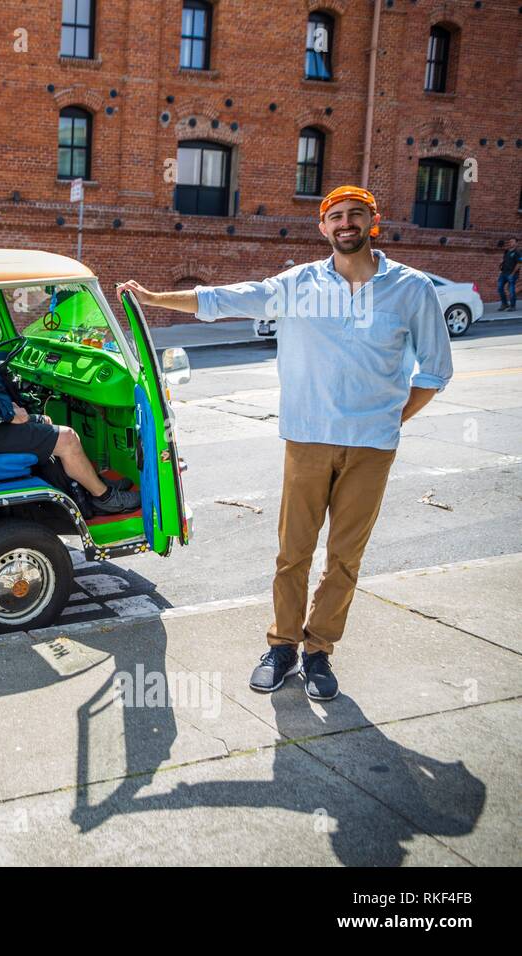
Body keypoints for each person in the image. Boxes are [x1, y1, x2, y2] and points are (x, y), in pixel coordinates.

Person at [118, 184, 453, 701]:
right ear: (323, 227)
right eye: (335, 215)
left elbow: (435, 370)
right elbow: (225, 298)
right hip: (307, 441)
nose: (345, 223)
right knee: (292, 554)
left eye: (355, 215)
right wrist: (158, 299)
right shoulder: (298, 284)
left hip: (372, 448)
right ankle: (282, 647)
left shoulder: (411, 290)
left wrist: (389, 420)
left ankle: (319, 652)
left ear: (373, 222)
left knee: (344, 559)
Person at [0, 292, 140, 514]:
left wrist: (14, 411)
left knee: (45, 421)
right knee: (68, 438)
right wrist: (8, 414)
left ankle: (88, 487)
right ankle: (105, 498)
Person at [498, 237, 519, 312]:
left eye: (513, 242)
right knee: (500, 288)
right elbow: (503, 260)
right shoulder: (506, 251)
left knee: (511, 290)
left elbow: (519, 263)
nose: (511, 243)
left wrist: (513, 273)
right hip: (503, 273)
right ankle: (505, 304)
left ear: (516, 243)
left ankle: (513, 306)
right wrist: (500, 267)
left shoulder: (518, 252)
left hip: (512, 274)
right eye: (510, 242)